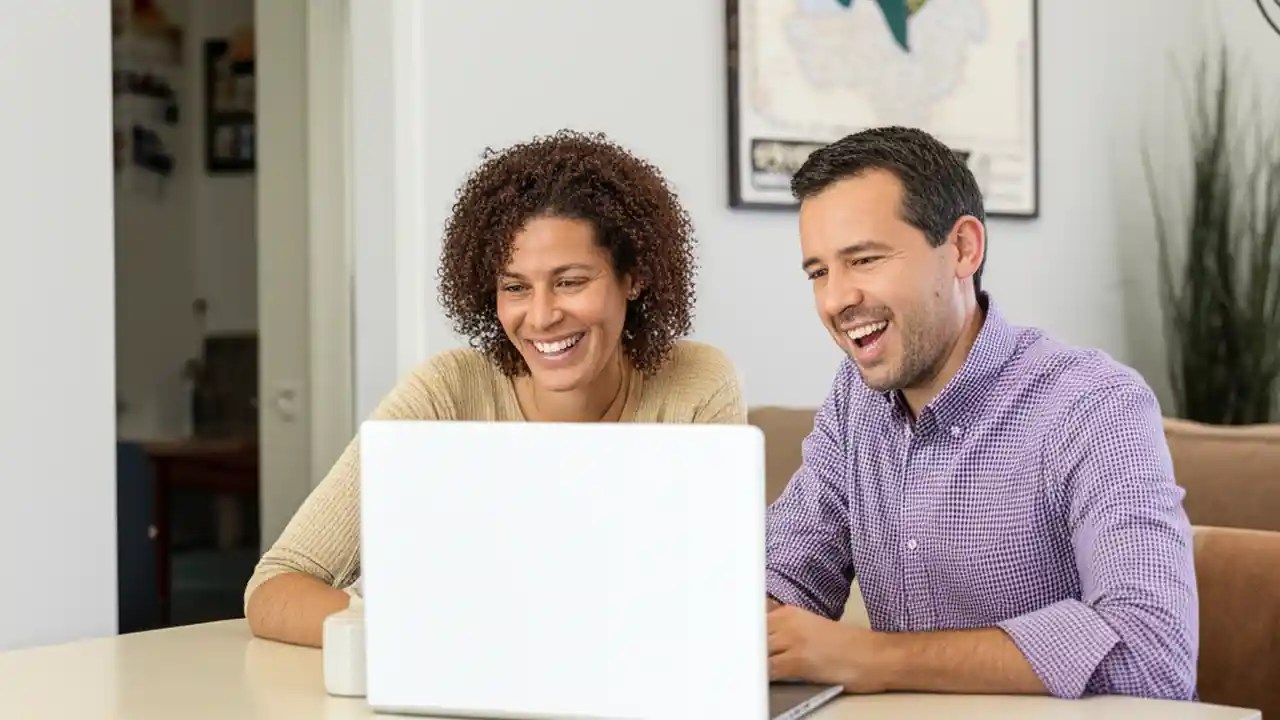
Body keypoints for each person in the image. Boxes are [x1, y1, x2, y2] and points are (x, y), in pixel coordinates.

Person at [245, 130, 747, 647]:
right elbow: (277, 586)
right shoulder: (447, 392)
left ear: (633, 278)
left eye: (571, 281)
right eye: (515, 287)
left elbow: (718, 596)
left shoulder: (696, 382)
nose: (542, 316)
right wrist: (440, 636)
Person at [764, 126, 1197, 700]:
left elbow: (1152, 656)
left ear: (963, 249)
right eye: (818, 272)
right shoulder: (854, 403)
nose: (835, 299)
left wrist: (873, 657)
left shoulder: (1094, 404)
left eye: (863, 259)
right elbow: (786, 575)